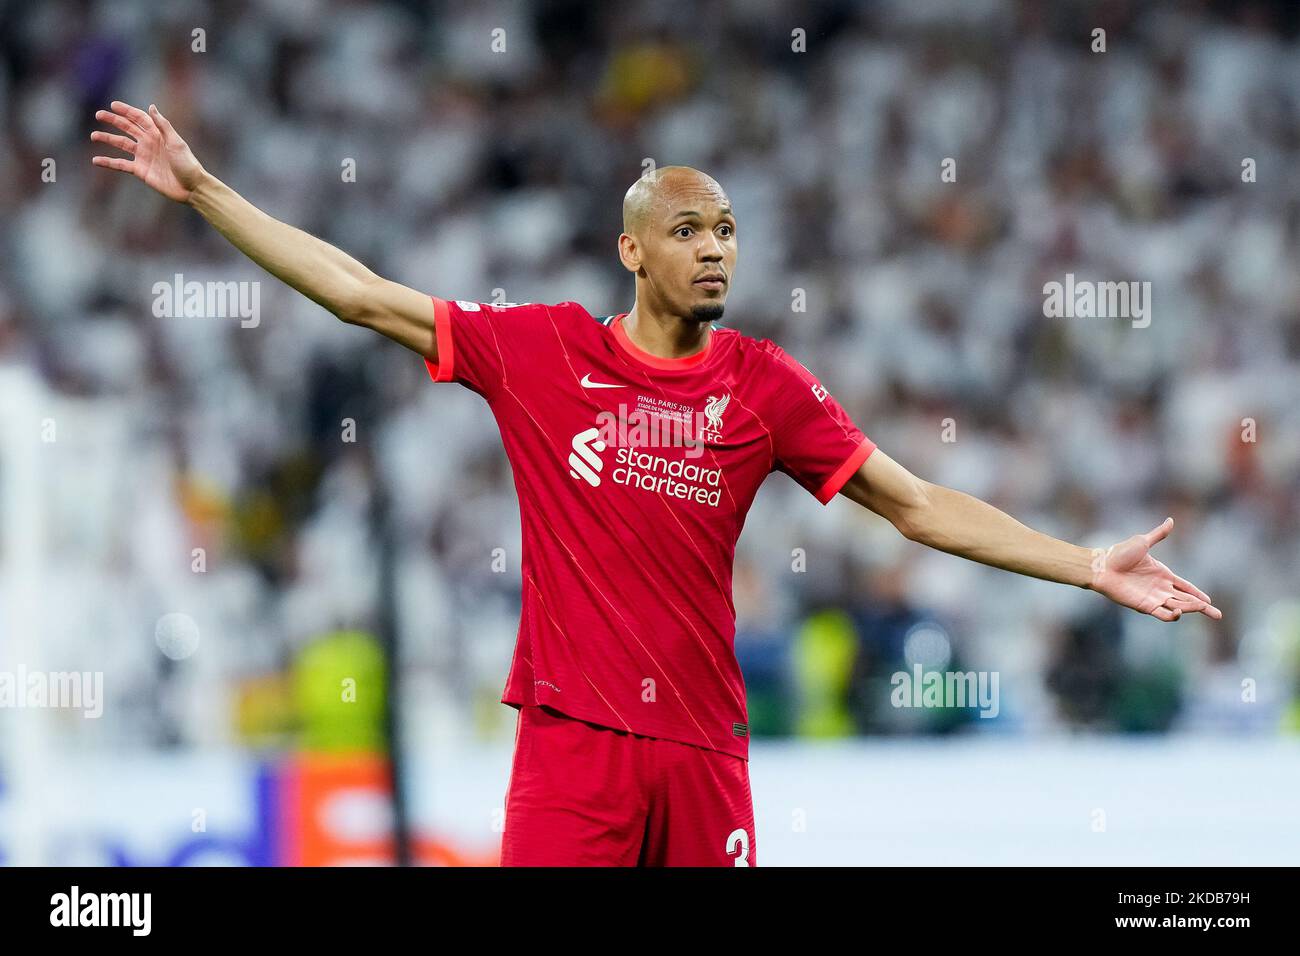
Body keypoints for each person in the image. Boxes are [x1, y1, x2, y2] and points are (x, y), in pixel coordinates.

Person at [92, 100, 1222, 867]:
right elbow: (360, 292)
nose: (716, 248)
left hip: (701, 753)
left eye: (727, 229)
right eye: (688, 230)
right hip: (572, 746)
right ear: (633, 251)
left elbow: (916, 501)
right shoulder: (538, 352)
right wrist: (203, 191)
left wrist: (1084, 562)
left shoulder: (765, 385)